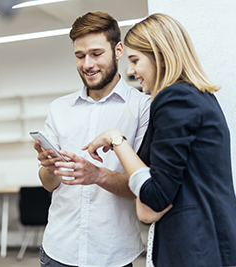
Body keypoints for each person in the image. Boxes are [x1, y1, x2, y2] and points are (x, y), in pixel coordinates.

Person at [84, 13, 236, 267]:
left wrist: (116, 139)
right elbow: (147, 193)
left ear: (160, 56)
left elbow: (155, 197)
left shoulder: (175, 99)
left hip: (193, 250)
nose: (130, 71)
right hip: (208, 246)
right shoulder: (199, 96)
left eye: (135, 60)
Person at [33, 11, 151, 267]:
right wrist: (49, 167)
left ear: (118, 50)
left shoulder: (142, 108)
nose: (87, 64)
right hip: (58, 249)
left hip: (112, 254)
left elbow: (144, 187)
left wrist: (97, 175)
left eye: (96, 54)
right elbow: (47, 184)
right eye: (80, 55)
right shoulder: (59, 108)